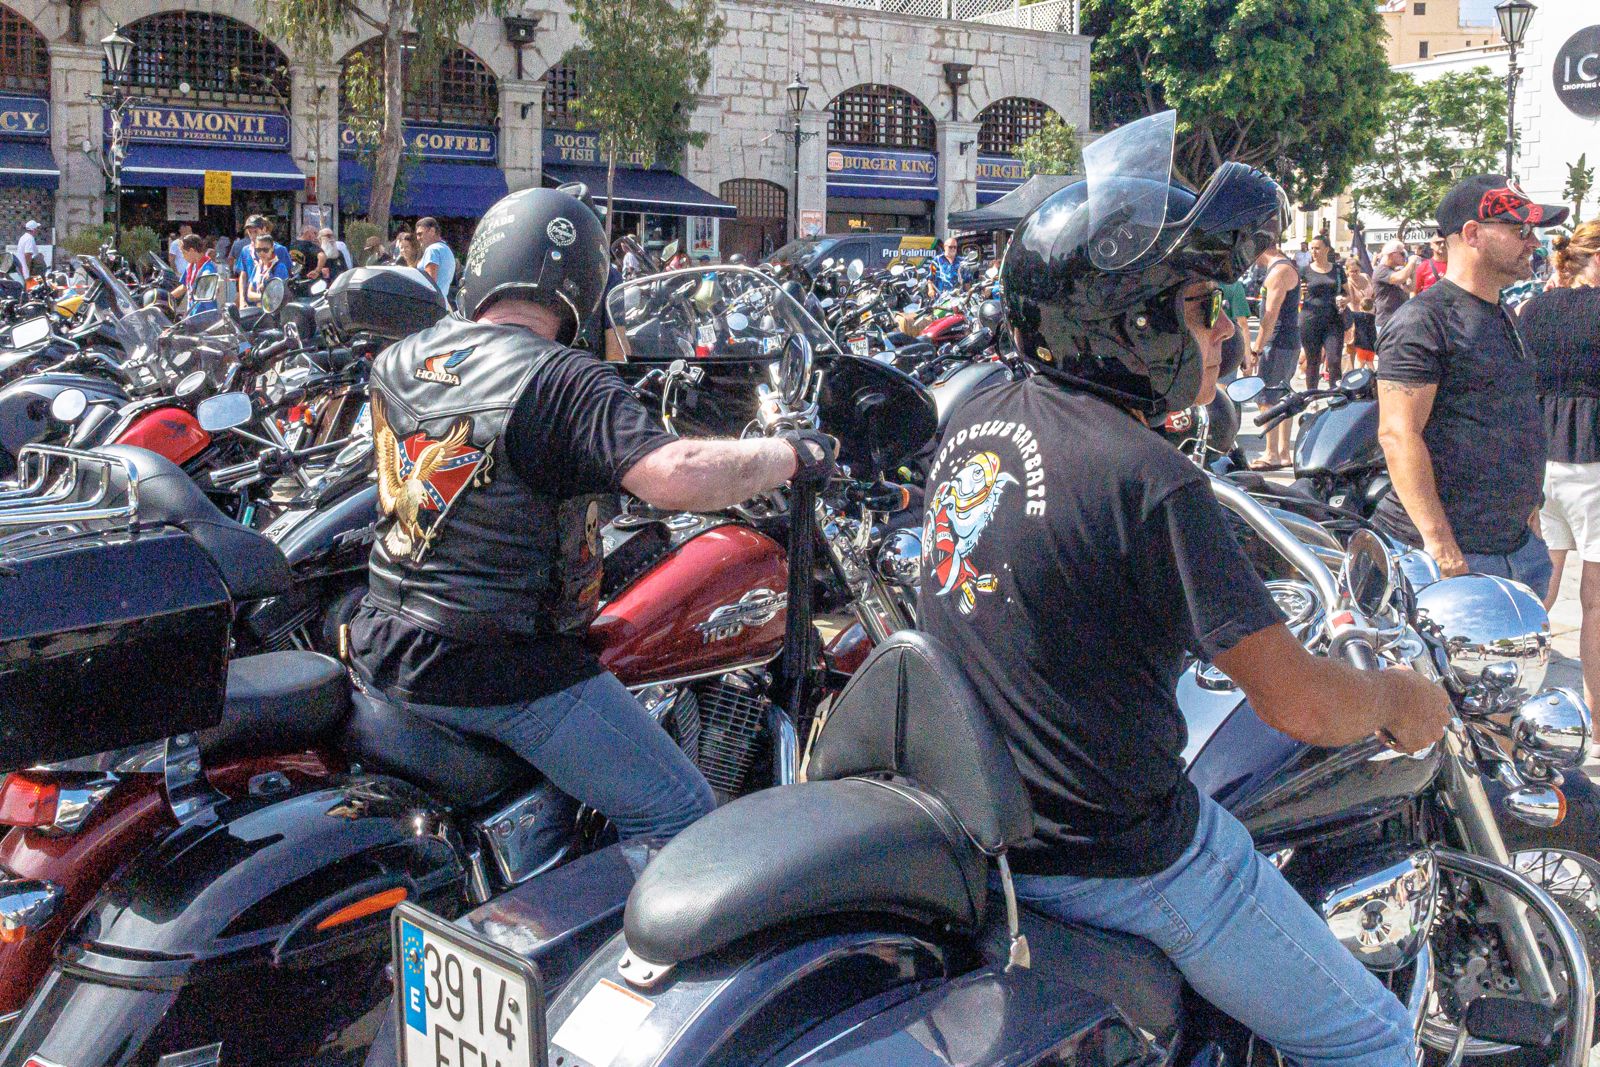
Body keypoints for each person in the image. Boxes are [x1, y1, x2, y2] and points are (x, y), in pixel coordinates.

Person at [921, 112, 1450, 1067]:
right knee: (1374, 1040)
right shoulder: (1151, 480)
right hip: (1115, 854)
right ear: (1135, 323)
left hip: (985, 822)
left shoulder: (981, 409)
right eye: (1204, 307)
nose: (1228, 330)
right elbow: (1298, 702)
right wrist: (1397, 698)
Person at [347, 187, 837, 843]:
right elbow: (674, 474)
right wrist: (792, 454)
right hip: (495, 666)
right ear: (583, 283)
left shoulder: (402, 357)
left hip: (382, 639)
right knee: (683, 810)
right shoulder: (562, 377)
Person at [1375, 175, 1567, 586]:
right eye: (1521, 230)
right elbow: (1398, 434)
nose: (1533, 243)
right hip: (1450, 555)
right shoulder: (1424, 320)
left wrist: (1530, 510)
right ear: (1473, 234)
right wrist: (1440, 545)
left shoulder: (1503, 313)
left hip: (1515, 547)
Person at [1522, 221, 1600, 709]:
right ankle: (1598, 725)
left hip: (1541, 461)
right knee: (1596, 605)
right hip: (1593, 461)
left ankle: (1503, 703)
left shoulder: (1534, 308)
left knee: (1538, 593)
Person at [1246, 236, 1300, 469]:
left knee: (1267, 398)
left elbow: (1270, 315)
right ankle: (1283, 452)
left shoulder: (1278, 271)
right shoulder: (1284, 267)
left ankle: (1271, 454)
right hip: (1287, 340)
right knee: (1283, 395)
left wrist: (1256, 348)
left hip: (1277, 342)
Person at [1299, 234, 1346, 386]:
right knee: (1313, 361)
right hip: (1310, 320)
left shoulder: (1337, 270)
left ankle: (1335, 394)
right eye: (1312, 248)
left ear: (1327, 249)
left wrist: (1344, 300)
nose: (1314, 251)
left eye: (1317, 248)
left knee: (1334, 360)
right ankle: (1311, 395)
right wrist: (1300, 291)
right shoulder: (1304, 270)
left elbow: (1348, 293)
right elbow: (1295, 294)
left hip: (1333, 320)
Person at [234, 216, 290, 310]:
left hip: (273, 305)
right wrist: (242, 300)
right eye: (249, 232)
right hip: (252, 304)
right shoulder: (246, 251)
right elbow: (243, 276)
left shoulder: (280, 250)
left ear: (264, 229)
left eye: (255, 231)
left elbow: (286, 279)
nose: (252, 236)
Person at [1372, 239, 1418, 337]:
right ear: (1392, 254)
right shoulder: (1381, 270)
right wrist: (1411, 263)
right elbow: (1400, 278)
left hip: (1400, 319)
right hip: (1386, 322)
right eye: (1402, 254)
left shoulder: (1396, 270)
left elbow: (1410, 288)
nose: (1404, 256)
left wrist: (1413, 271)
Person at [171, 233, 219, 317]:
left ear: (192, 250)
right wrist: (167, 297)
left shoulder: (207, 269)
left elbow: (210, 289)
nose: (183, 256)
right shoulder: (190, 266)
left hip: (205, 316)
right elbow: (184, 287)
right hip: (192, 316)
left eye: (184, 253)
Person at [242, 233, 289, 307]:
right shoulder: (257, 267)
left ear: (272, 248)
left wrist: (259, 296)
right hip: (258, 309)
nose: (261, 253)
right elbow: (249, 294)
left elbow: (278, 295)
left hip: (274, 310)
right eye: (258, 250)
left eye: (265, 250)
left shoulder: (280, 267)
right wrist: (264, 296)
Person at [416, 217, 456, 297]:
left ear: (432, 231)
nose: (418, 238)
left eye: (420, 234)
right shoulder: (446, 248)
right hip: (442, 299)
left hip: (431, 300)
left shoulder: (432, 250)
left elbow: (430, 282)